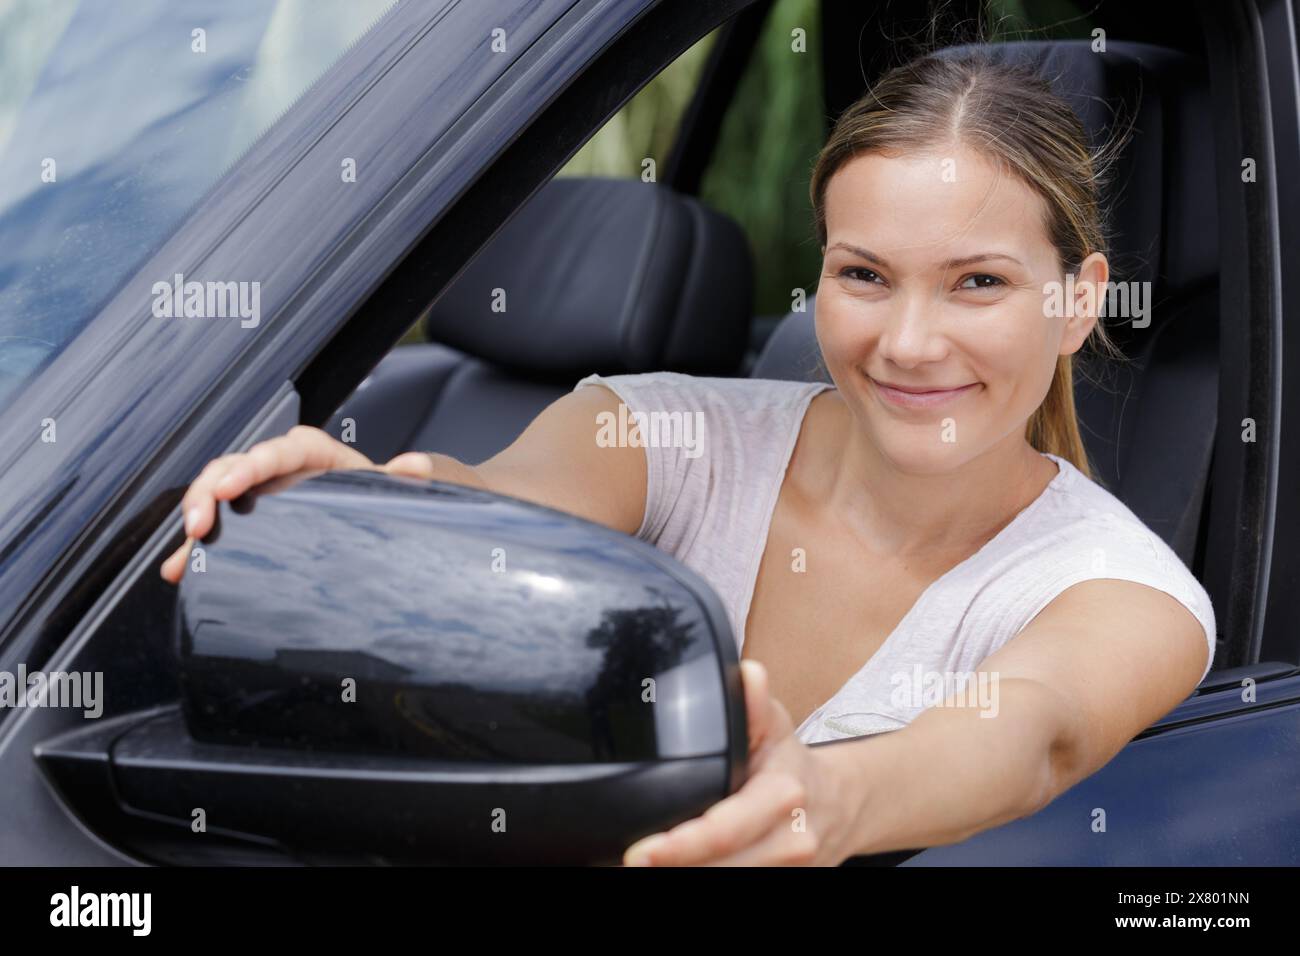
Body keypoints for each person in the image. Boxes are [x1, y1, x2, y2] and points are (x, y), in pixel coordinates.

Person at [160, 51, 1216, 866]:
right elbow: (503, 506)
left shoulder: (1123, 592)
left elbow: (1034, 730)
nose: (906, 341)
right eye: (864, 273)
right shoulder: (660, 430)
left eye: (976, 281)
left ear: (1078, 299)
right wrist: (380, 504)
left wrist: (823, 799)